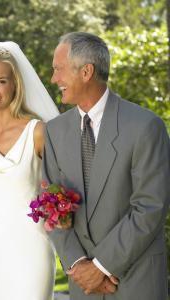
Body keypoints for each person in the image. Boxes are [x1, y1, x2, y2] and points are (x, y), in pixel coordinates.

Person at [43, 32, 170, 299]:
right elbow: (50, 204)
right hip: (83, 286)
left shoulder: (145, 126)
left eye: (59, 70)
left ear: (86, 71)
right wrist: (78, 264)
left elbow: (150, 207)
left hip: (135, 280)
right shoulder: (54, 132)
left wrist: (100, 265)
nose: (54, 79)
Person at [0, 41, 59, 299]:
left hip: (34, 248)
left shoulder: (38, 131)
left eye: (1, 81)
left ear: (16, 84)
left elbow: (61, 189)